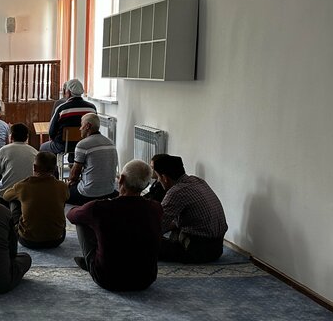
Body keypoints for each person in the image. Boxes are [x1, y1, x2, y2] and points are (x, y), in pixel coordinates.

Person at [67, 159, 164, 291]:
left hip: (108, 279)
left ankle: (91, 262)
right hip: (146, 279)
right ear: (146, 183)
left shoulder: (99, 208)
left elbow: (71, 215)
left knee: (82, 220)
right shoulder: (156, 208)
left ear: (121, 179)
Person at [150, 153, 228, 263]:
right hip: (218, 248)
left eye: (158, 177)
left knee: (143, 243)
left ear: (165, 178)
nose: (158, 180)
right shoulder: (197, 181)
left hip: (198, 251)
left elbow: (158, 227)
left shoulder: (176, 192)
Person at [2, 151, 69, 249]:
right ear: (55, 169)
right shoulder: (62, 186)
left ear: (35, 167)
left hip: (28, 240)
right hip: (57, 239)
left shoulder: (23, 186)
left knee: (14, 200)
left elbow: (5, 196)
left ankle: (16, 229)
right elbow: (66, 198)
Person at [66, 112, 118, 206]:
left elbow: (74, 175)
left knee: (63, 193)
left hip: (88, 194)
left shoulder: (83, 144)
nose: (80, 128)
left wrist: (69, 183)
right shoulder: (110, 143)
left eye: (81, 125)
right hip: (109, 191)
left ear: (87, 126)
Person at [40, 78, 96, 157]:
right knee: (76, 145)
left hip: (63, 145)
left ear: (68, 92)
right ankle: (74, 165)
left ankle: (54, 169)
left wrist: (55, 140)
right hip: (85, 144)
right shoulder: (92, 108)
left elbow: (51, 131)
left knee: (43, 147)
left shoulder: (62, 108)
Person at [0, 123, 37, 193]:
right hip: (29, 195)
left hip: (7, 194)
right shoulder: (35, 152)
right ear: (27, 137)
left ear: (11, 137)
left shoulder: (4, 150)